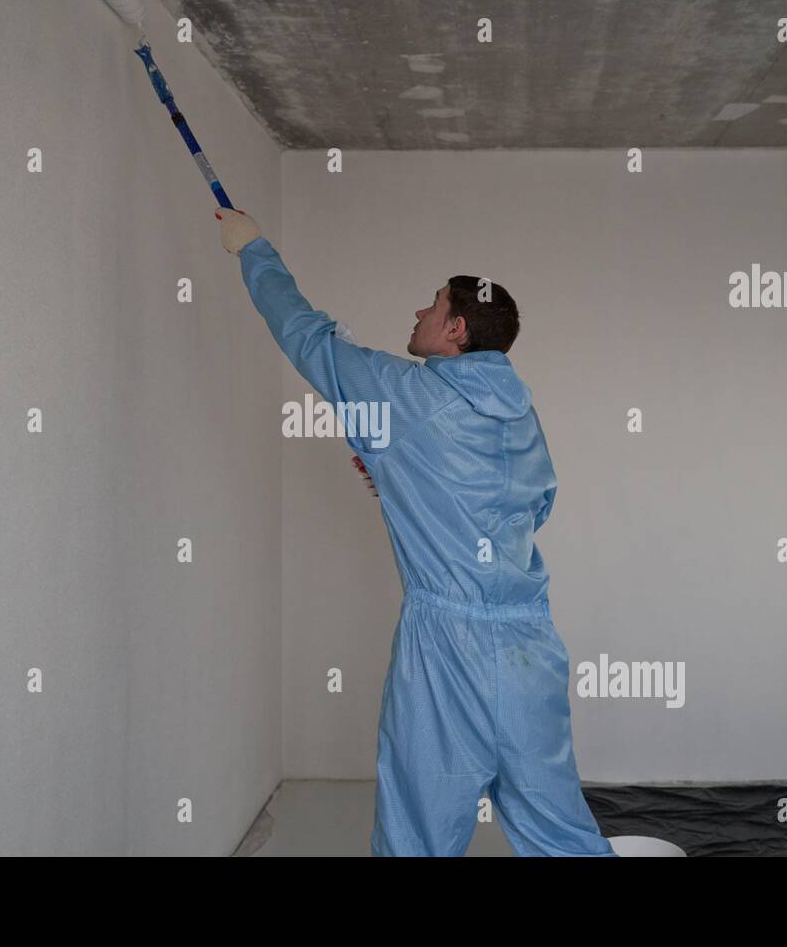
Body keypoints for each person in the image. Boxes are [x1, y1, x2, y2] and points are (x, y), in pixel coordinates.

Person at [216, 207, 616, 857]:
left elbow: (310, 338)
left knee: (418, 831)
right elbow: (533, 505)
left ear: (455, 328)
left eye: (431, 306)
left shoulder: (404, 395)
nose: (418, 313)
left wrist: (253, 249)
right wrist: (414, 482)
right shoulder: (520, 412)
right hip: (528, 647)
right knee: (557, 828)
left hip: (446, 649)